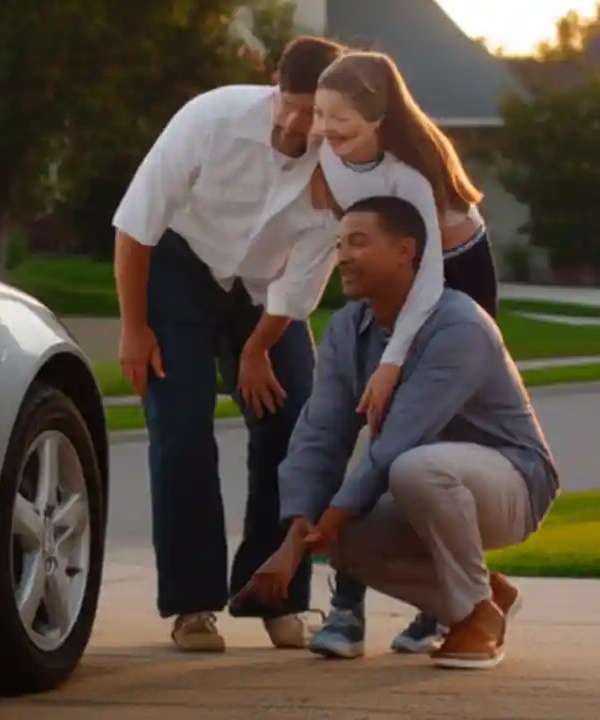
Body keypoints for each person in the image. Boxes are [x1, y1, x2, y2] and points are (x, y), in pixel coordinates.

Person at [233, 195, 559, 669]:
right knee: (342, 540)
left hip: (512, 482)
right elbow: (321, 433)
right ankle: (486, 596)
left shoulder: (458, 325)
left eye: (359, 242)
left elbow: (398, 442)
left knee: (414, 467)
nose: (342, 256)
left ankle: (474, 620)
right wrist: (297, 537)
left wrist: (327, 522)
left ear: (406, 251)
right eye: (340, 244)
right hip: (422, 480)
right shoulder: (349, 328)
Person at [111, 35, 346, 652]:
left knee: (293, 425)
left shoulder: (338, 160)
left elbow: (306, 275)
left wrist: (257, 349)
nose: (298, 123)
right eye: (291, 104)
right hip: (179, 270)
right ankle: (192, 606)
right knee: (182, 429)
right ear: (275, 84)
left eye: (313, 112)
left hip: (268, 296)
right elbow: (136, 227)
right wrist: (135, 329)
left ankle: (273, 595)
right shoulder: (209, 119)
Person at [305, 50, 504, 658]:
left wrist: (392, 365)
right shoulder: (329, 155)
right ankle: (349, 613)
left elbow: (427, 279)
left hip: (452, 275)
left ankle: (435, 609)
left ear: (379, 118)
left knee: (420, 440)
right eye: (321, 115)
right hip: (400, 274)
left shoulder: (409, 174)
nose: (326, 131)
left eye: (342, 120)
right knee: (360, 429)